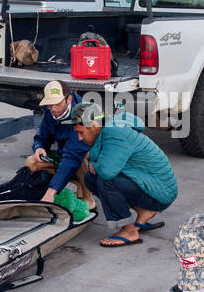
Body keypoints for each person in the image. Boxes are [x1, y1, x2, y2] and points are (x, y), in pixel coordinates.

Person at [72, 102, 178, 248]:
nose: (79, 138)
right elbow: (97, 161)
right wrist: (95, 165)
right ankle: (144, 211)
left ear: (95, 126)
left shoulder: (115, 133)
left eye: (81, 132)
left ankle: (129, 231)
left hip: (161, 192)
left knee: (106, 180)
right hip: (150, 186)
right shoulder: (107, 130)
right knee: (91, 178)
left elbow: (106, 171)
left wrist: (95, 165)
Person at [26, 80, 92, 206]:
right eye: (50, 104)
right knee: (32, 162)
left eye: (57, 104)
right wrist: (39, 148)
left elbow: (72, 156)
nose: (53, 109)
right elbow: (41, 137)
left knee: (81, 156)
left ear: (69, 99)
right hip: (67, 152)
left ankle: (89, 198)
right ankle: (79, 184)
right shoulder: (51, 111)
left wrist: (51, 192)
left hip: (95, 159)